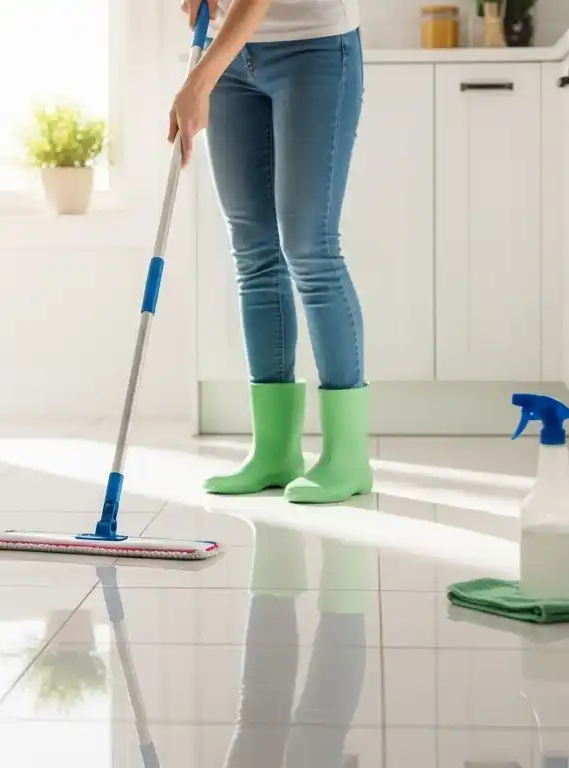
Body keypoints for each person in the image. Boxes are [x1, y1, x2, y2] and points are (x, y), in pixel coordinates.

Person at [171, 0, 372, 504]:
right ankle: (275, 452)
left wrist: (198, 81)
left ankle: (347, 459)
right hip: (234, 55)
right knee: (254, 253)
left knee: (310, 248)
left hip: (316, 49)